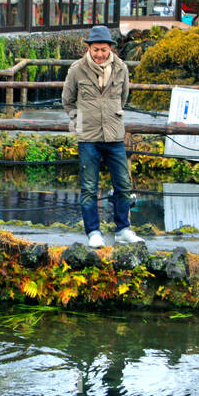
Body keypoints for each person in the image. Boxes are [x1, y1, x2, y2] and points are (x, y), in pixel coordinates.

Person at [62, 24, 142, 248]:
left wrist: (111, 115)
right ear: (89, 48)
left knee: (123, 184)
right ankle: (93, 231)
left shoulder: (121, 68)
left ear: (111, 49)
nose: (99, 54)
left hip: (115, 135)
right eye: (95, 49)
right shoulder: (77, 69)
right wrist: (81, 120)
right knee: (89, 187)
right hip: (88, 137)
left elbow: (124, 96)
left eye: (103, 50)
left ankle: (123, 228)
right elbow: (67, 100)